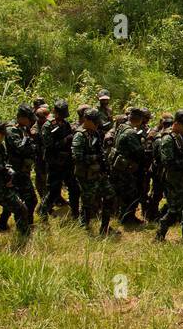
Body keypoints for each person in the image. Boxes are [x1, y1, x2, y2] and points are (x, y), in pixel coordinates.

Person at [72, 107, 115, 235]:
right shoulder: (79, 135)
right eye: (95, 121)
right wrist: (95, 157)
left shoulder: (94, 133)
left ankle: (105, 227)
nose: (97, 124)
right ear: (87, 120)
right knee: (87, 202)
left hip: (99, 172)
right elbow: (77, 157)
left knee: (109, 195)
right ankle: (84, 226)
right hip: (86, 174)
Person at [156, 111, 183, 242]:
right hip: (174, 180)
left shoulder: (181, 136)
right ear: (177, 123)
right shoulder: (168, 139)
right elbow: (168, 162)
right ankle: (160, 235)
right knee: (174, 211)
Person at [111, 107, 151, 224]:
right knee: (131, 193)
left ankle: (123, 216)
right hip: (126, 167)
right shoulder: (131, 133)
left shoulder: (121, 127)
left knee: (123, 192)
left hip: (119, 165)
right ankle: (127, 218)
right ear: (140, 119)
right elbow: (139, 152)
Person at [42, 100, 79, 219]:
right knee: (53, 190)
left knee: (74, 188)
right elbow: (49, 145)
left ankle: (75, 213)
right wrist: (65, 140)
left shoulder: (65, 123)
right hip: (55, 163)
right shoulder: (48, 126)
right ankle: (43, 212)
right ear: (55, 112)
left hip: (67, 162)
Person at [4, 104, 39, 227]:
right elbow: (20, 148)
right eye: (29, 119)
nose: (30, 122)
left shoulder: (22, 128)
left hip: (24, 170)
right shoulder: (11, 130)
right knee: (21, 202)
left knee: (29, 200)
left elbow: (32, 147)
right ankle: (22, 226)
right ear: (22, 118)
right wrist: (28, 140)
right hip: (15, 171)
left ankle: (26, 223)